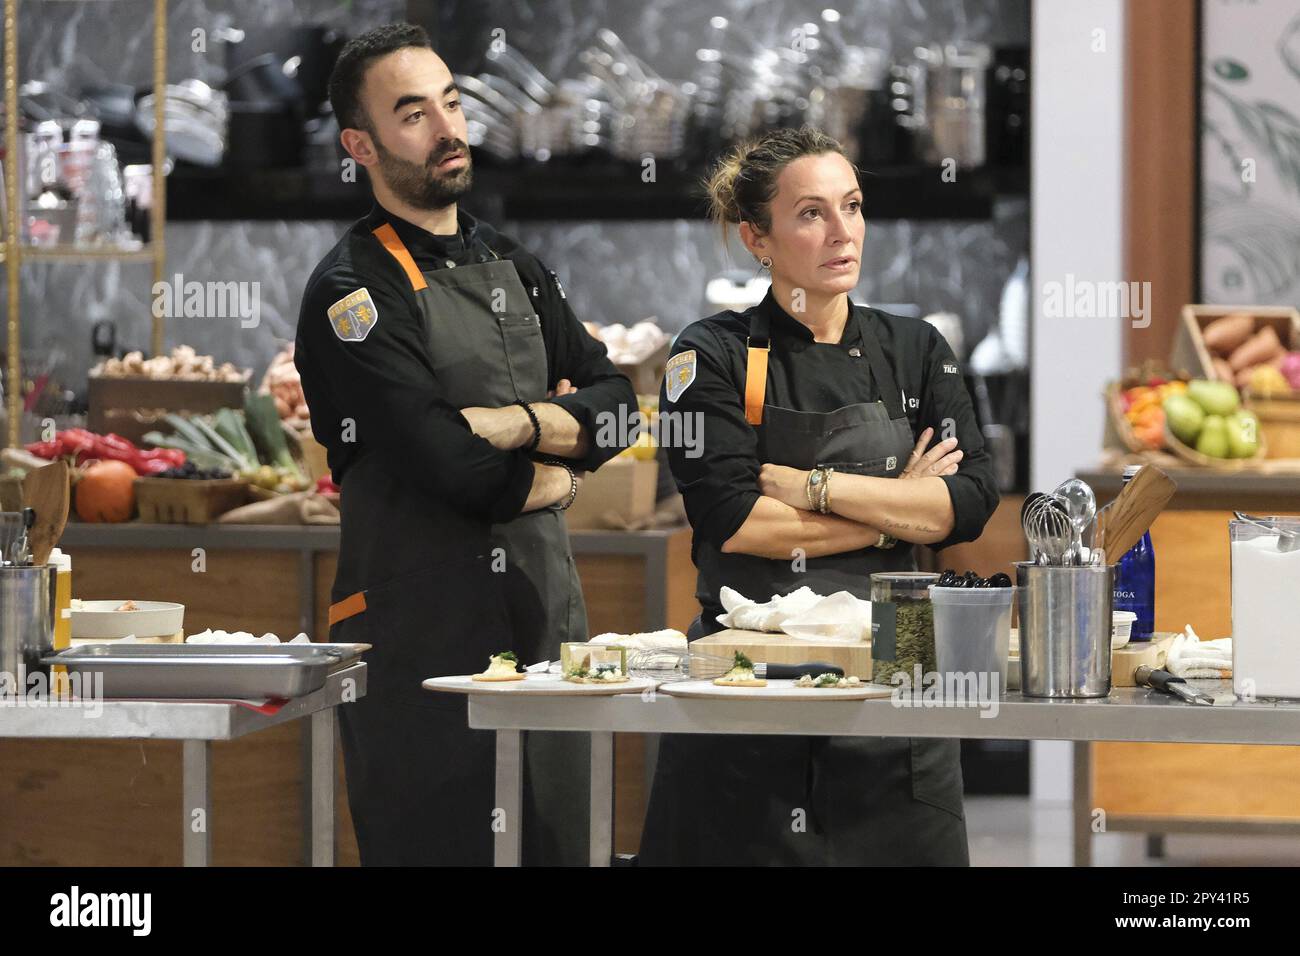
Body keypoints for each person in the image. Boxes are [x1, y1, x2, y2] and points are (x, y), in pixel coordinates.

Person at [294, 23, 635, 866]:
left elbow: (622, 411)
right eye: (413, 114)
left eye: (451, 102)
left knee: (556, 838)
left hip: (543, 624)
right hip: (420, 636)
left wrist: (514, 424)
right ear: (360, 145)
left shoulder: (515, 265)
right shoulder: (351, 291)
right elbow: (447, 465)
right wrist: (555, 474)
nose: (448, 127)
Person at [639, 126, 1000, 865]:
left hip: (899, 678)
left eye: (853, 205)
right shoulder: (710, 354)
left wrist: (816, 488)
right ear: (756, 238)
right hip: (747, 685)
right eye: (811, 213)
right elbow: (735, 521)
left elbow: (969, 502)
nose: (843, 233)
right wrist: (897, 505)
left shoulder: (916, 349)